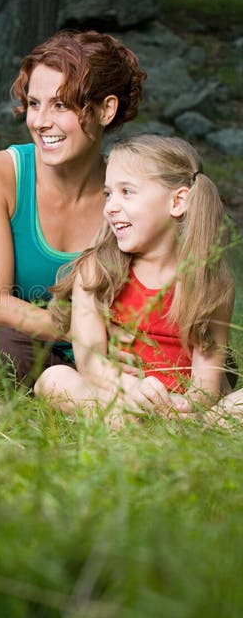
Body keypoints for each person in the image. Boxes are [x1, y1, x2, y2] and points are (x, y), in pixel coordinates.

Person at [0, 29, 146, 385]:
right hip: (20, 342)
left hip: (103, 350)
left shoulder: (131, 189)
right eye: (34, 103)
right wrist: (87, 337)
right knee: (0, 350)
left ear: (106, 110)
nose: (39, 121)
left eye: (60, 105)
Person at [33, 135, 235, 420]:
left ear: (177, 201)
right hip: (118, 394)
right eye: (108, 193)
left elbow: (206, 387)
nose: (110, 206)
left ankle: (179, 425)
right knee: (54, 379)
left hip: (181, 406)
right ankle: (135, 420)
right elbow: (90, 363)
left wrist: (180, 408)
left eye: (126, 192)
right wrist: (131, 387)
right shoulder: (97, 271)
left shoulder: (209, 282)